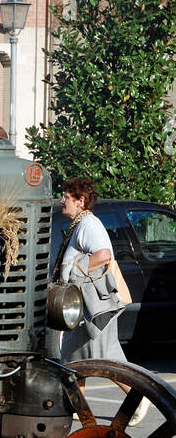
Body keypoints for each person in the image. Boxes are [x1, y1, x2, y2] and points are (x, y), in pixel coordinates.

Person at [53, 176, 148, 425]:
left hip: (95, 307)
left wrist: (75, 271)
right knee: (74, 359)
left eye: (67, 197)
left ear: (80, 201)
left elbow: (104, 255)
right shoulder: (80, 224)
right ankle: (76, 406)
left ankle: (138, 398)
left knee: (105, 361)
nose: (63, 201)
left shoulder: (88, 225)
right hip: (86, 307)